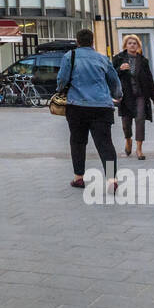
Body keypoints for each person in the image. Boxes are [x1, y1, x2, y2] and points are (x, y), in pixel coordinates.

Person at [54, 28, 122, 191]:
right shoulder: (102, 59)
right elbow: (114, 82)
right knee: (105, 143)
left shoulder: (69, 57)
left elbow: (62, 80)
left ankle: (79, 178)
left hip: (77, 106)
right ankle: (112, 179)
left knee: (78, 141)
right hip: (101, 107)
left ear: (77, 41)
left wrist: (60, 89)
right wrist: (117, 96)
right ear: (92, 42)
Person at [112, 36, 154, 160]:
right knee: (126, 124)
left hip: (140, 95)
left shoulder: (143, 61)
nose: (132, 45)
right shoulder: (118, 59)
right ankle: (128, 140)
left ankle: (139, 149)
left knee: (140, 120)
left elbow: (149, 79)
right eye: (130, 43)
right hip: (125, 96)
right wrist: (120, 69)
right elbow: (110, 75)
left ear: (138, 46)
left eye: (135, 43)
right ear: (125, 45)